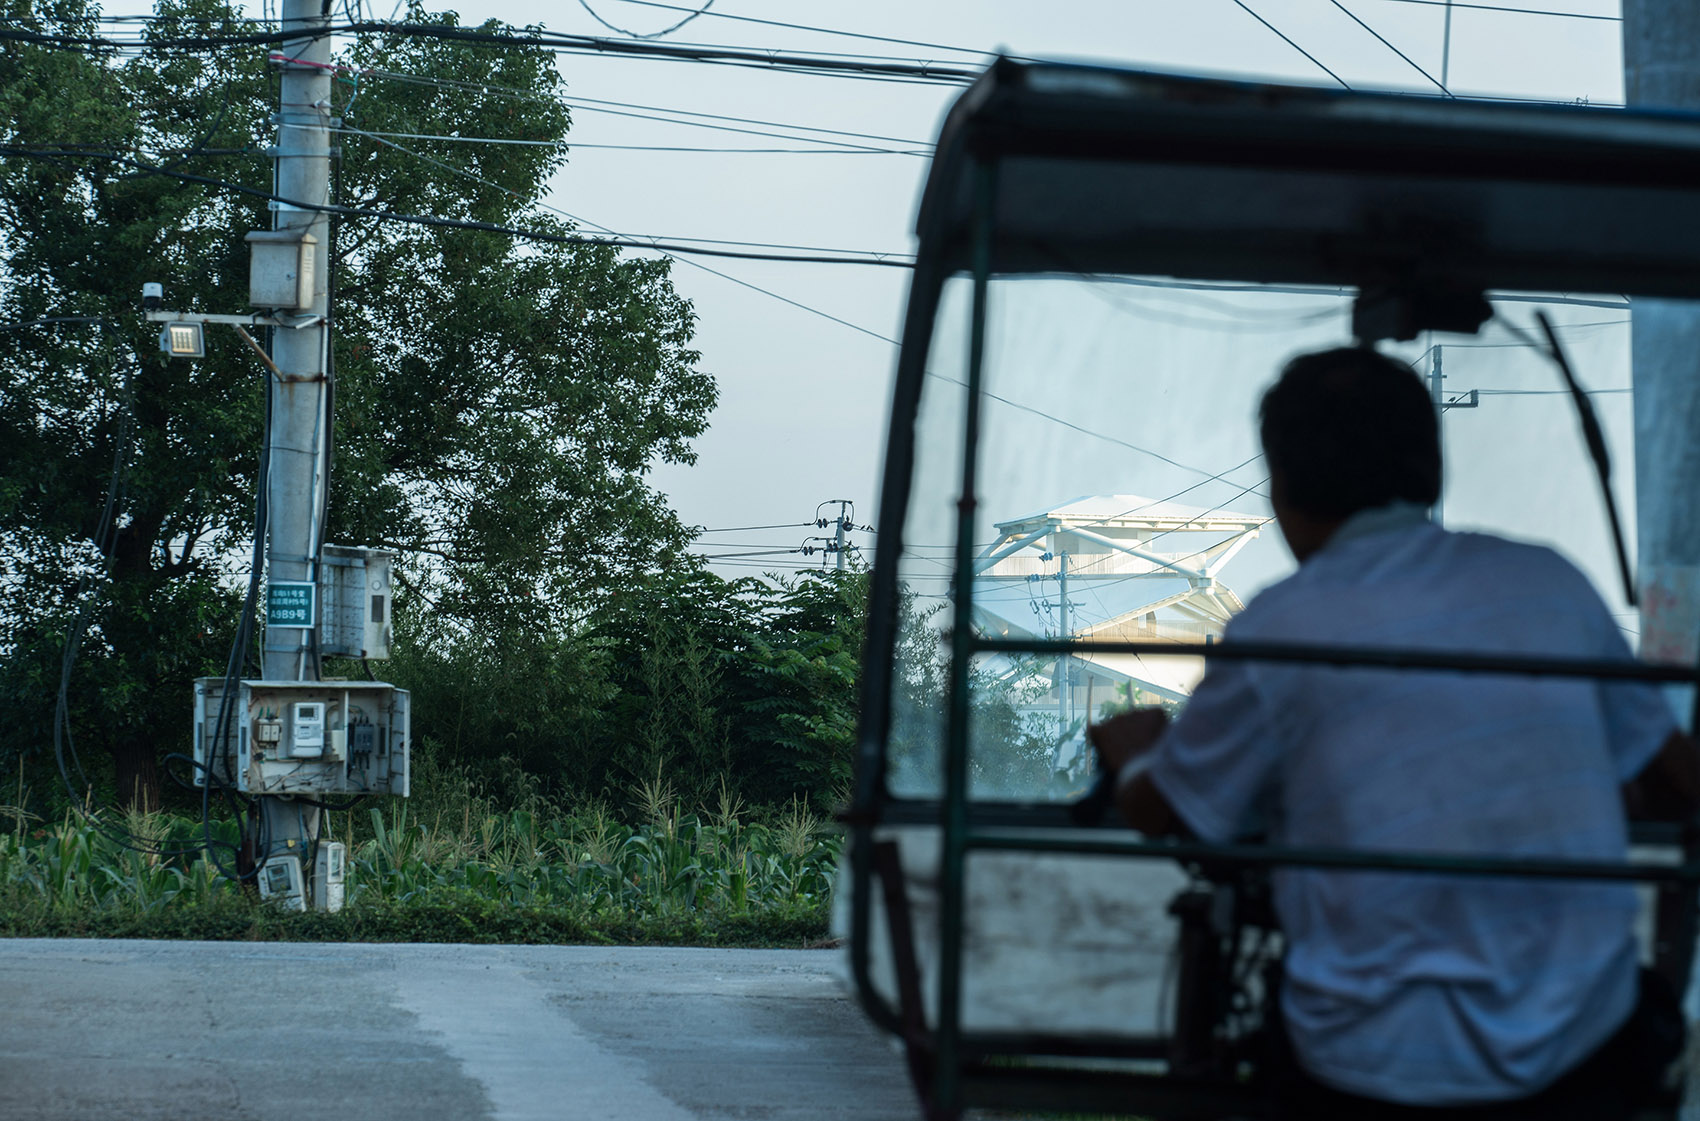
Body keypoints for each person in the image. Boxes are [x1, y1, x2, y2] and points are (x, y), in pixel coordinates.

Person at [1089, 346, 1697, 1120]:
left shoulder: (1282, 622)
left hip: (1361, 1064)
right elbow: (1679, 779)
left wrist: (1135, 752)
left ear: (1283, 487)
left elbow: (1171, 808)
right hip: (1580, 1056)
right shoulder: (1550, 583)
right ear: (1428, 467)